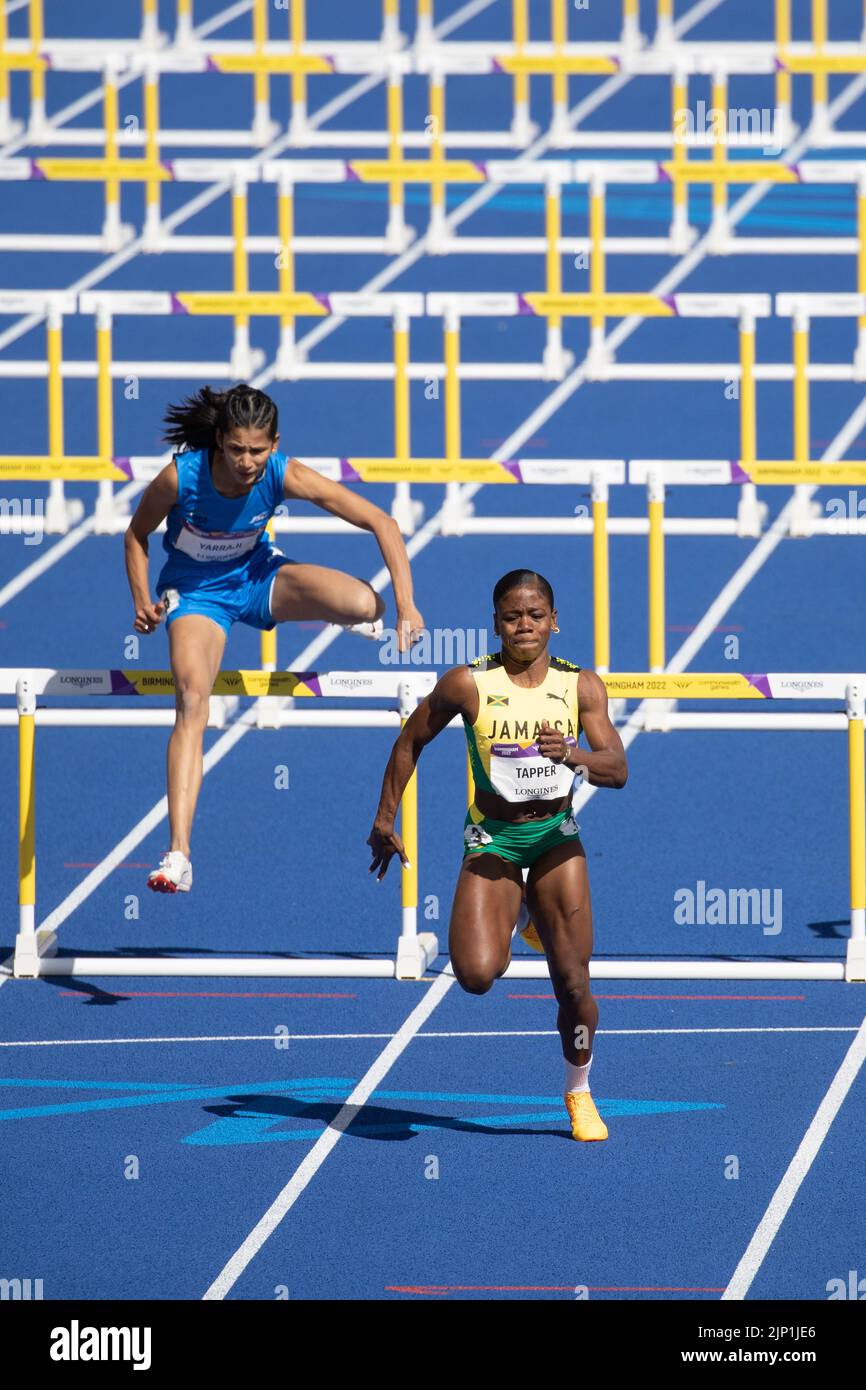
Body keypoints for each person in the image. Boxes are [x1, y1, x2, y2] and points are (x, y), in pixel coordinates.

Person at [124, 383, 424, 894]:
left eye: (257, 450)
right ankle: (178, 853)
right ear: (218, 441)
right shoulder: (182, 477)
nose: (246, 462)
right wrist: (140, 599)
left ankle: (349, 613)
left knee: (363, 603)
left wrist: (406, 605)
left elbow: (382, 521)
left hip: (259, 578)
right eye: (237, 449)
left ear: (275, 444)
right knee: (193, 700)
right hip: (197, 596)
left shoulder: (284, 473)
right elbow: (135, 534)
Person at [368, 569, 627, 1142]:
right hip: (494, 839)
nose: (525, 625)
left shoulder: (581, 686)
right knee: (478, 975)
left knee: (573, 982)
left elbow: (619, 769)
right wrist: (385, 817)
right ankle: (525, 913)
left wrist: (576, 756)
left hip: (555, 837)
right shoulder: (468, 684)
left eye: (536, 615)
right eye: (513, 616)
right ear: (496, 624)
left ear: (555, 621)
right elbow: (411, 739)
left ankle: (579, 1091)